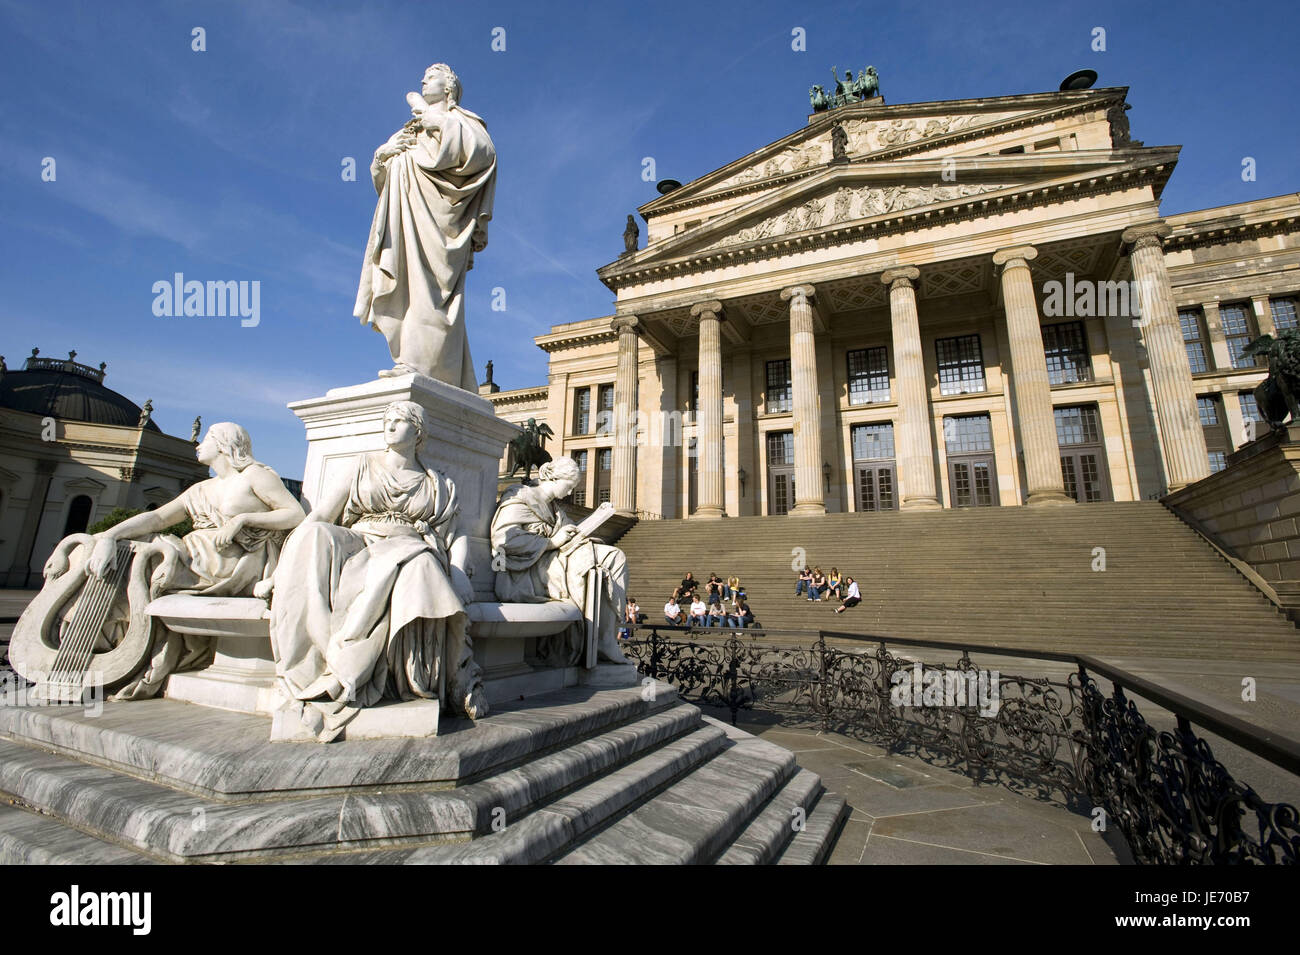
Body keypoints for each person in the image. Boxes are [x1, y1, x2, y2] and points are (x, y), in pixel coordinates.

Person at [269, 401, 484, 741]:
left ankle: (350, 668)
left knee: (421, 561)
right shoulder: (362, 466)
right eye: (388, 419)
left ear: (418, 432)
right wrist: (282, 565)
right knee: (313, 534)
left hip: (408, 544)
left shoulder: (438, 484)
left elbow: (456, 535)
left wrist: (457, 571)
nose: (391, 425)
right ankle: (320, 654)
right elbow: (323, 513)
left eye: (400, 420)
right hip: (361, 541)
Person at [82, 422, 306, 700]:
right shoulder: (201, 488)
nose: (199, 444)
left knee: (143, 565)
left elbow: (295, 515)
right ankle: (104, 646)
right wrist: (109, 535)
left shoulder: (254, 476)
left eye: (207, 438)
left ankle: (113, 648)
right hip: (195, 555)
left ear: (224, 444)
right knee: (123, 553)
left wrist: (243, 519)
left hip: (236, 563)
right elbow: (158, 518)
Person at [355, 63, 496, 389]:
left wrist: (434, 119)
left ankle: (427, 365)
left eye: (430, 77)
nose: (422, 80)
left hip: (440, 221)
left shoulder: (462, 121)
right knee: (407, 288)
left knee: (431, 291)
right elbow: (384, 181)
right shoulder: (408, 129)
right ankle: (409, 359)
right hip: (404, 218)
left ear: (449, 88)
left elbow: (483, 153)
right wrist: (382, 156)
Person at [490, 456, 630, 665]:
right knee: (610, 557)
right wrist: (552, 542)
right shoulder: (520, 496)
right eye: (570, 486)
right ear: (555, 478)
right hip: (529, 568)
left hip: (555, 558)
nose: (571, 492)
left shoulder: (555, 509)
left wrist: (579, 533)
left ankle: (604, 638)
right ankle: (602, 641)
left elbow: (569, 535)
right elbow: (503, 540)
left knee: (614, 556)